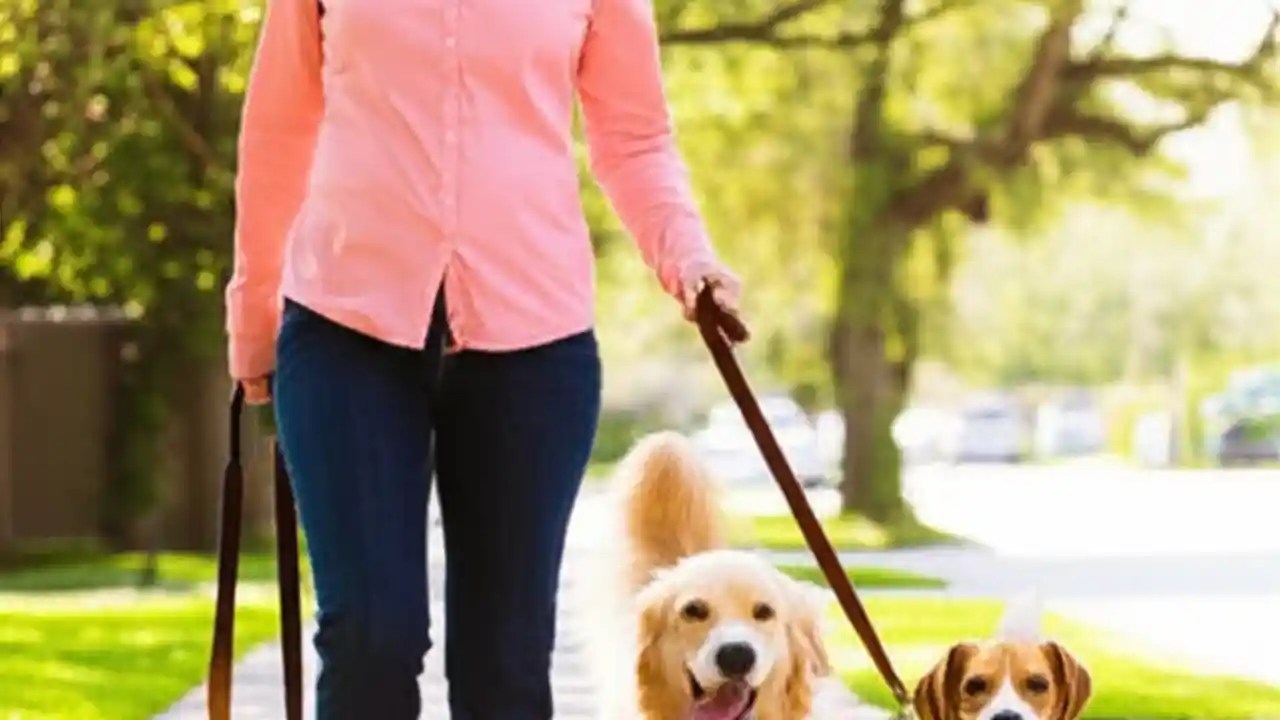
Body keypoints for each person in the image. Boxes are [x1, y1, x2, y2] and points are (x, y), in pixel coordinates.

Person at [225, 0, 743, 717]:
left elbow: (634, 140)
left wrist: (689, 260)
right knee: (372, 634)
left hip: (534, 336)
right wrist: (254, 310)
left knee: (506, 659)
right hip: (345, 324)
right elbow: (280, 128)